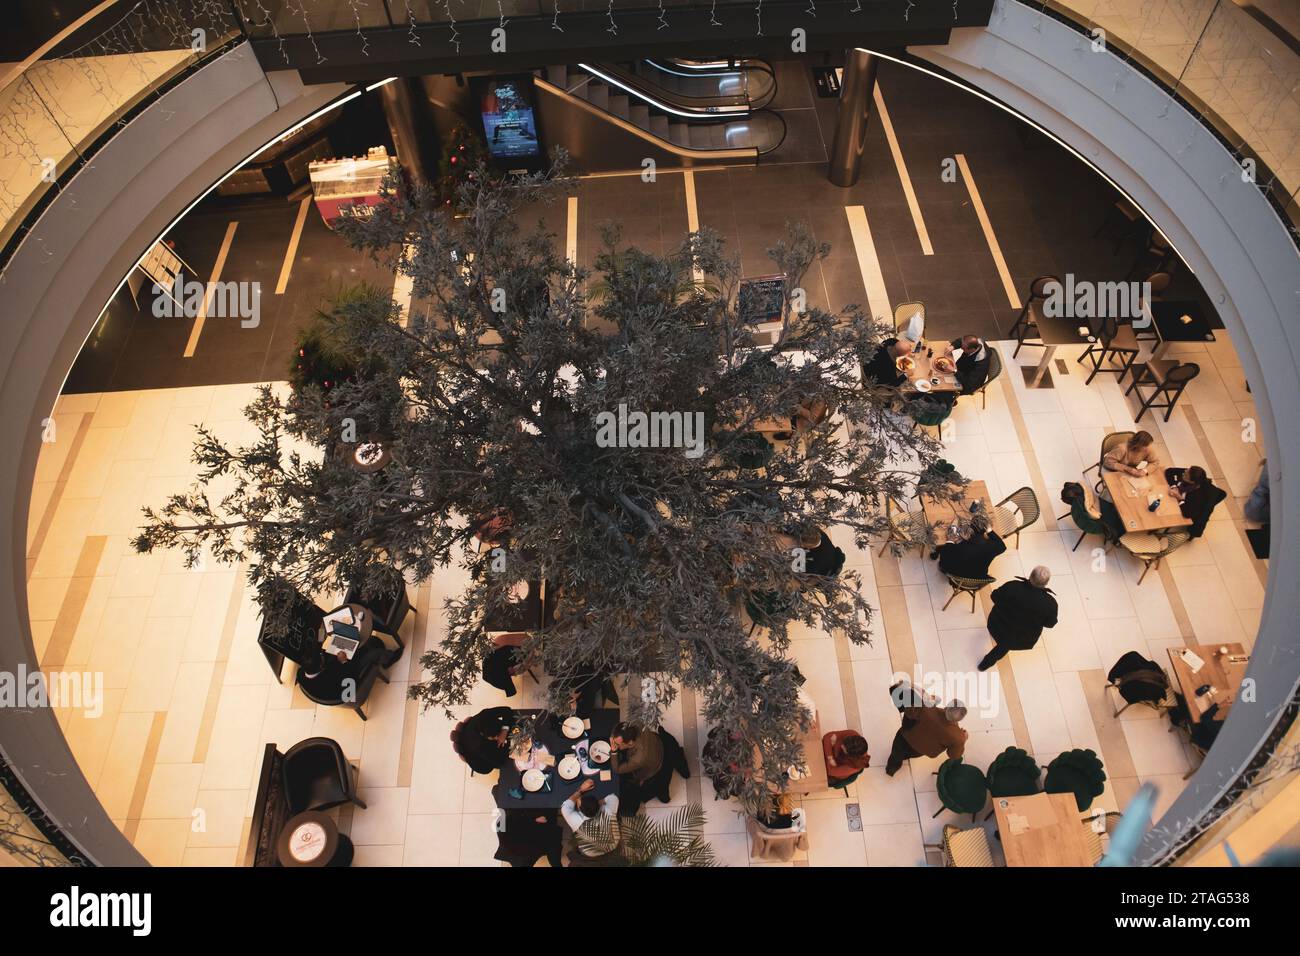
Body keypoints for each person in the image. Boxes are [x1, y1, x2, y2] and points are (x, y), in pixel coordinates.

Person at [978, 565, 1058, 671]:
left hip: (996, 624)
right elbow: (1050, 624)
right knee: (1005, 645)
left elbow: (994, 596)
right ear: (1046, 583)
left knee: (1004, 642)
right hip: (1021, 638)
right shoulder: (1050, 604)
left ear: (1030, 576)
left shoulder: (1013, 586)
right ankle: (986, 663)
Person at [884, 683, 968, 776]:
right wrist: (964, 738)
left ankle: (891, 769)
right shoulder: (958, 737)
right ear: (959, 719)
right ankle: (904, 756)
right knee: (908, 754)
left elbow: (909, 713)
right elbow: (954, 755)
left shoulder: (926, 707)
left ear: (947, 707)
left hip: (904, 737)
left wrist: (925, 698)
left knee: (896, 753)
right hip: (920, 750)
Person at [610, 721, 664, 817]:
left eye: (618, 744)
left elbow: (617, 769)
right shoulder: (636, 723)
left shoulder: (638, 758)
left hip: (652, 765)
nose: (615, 745)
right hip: (655, 742)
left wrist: (614, 752)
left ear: (630, 743)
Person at [561, 779, 620, 861]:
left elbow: (565, 806)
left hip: (589, 854)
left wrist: (580, 790)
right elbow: (613, 798)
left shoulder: (578, 823)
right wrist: (595, 803)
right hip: (613, 846)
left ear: (579, 810)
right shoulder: (608, 811)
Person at [935, 512, 1006, 579]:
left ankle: (934, 554)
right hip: (978, 577)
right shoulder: (993, 546)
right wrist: (990, 530)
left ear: (971, 530)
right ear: (985, 531)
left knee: (945, 557)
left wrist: (950, 540)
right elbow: (1003, 547)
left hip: (958, 575)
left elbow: (946, 553)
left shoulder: (962, 547)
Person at [1097, 431, 1161, 504]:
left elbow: (1155, 462)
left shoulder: (1147, 448)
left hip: (1129, 471)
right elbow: (1108, 462)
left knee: (1137, 492)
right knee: (1114, 492)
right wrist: (1128, 469)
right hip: (1112, 470)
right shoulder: (1122, 448)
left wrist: (1144, 471)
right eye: (1145, 447)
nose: (1147, 449)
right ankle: (1105, 502)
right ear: (1138, 445)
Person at [1165, 465, 1225, 538]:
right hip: (1187, 499)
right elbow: (1169, 471)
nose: (1184, 472)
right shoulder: (1190, 472)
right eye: (1187, 470)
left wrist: (1179, 498)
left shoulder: (1198, 496)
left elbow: (1188, 513)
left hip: (1194, 510)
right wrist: (1174, 486)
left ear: (1191, 481)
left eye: (1186, 474)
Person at [455, 705, 515, 774]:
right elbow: (501, 762)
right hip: (484, 763)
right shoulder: (479, 746)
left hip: (477, 732)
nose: (496, 737)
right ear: (484, 736)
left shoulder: (484, 715)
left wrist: (504, 730)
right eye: (494, 737)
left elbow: (507, 710)